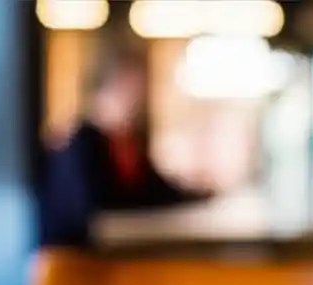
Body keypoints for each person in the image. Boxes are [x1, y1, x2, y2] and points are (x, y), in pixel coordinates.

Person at [39, 49, 206, 246]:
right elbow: (91, 210)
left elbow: (160, 192)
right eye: (131, 88)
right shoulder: (80, 146)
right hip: (76, 262)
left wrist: (201, 194)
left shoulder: (130, 144)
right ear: (107, 89)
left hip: (116, 253)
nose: (138, 100)